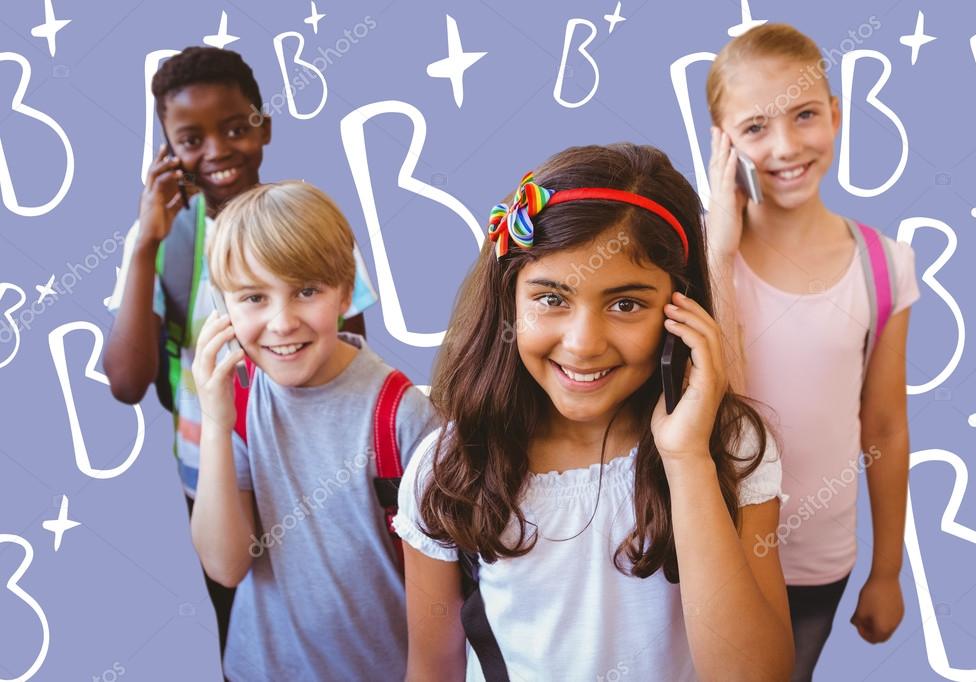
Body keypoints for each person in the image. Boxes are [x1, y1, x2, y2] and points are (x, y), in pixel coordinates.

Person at [396, 143, 794, 680]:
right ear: (508, 300)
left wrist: (687, 459)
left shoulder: (731, 447)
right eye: (552, 298)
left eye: (626, 304)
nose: (583, 344)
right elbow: (432, 670)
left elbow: (755, 674)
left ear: (680, 313)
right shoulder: (447, 468)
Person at [102, 46, 377, 653]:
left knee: (331, 607)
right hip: (212, 470)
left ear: (265, 126)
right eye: (191, 138)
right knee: (242, 616)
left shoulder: (312, 227)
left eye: (234, 128)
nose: (218, 151)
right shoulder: (164, 241)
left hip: (309, 470)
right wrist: (144, 244)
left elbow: (350, 355)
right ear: (167, 151)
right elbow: (126, 381)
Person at [704, 23, 919, 681]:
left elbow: (882, 426)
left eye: (803, 116)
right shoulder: (700, 261)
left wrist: (885, 571)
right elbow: (714, 398)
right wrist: (716, 251)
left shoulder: (884, 266)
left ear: (835, 114)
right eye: (754, 128)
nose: (785, 146)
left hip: (818, 561)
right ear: (723, 142)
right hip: (710, 552)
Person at [191, 180, 437, 681]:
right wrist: (215, 424)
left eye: (306, 291)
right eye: (253, 297)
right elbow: (225, 565)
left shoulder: (402, 416)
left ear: (346, 292)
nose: (281, 322)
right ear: (224, 308)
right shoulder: (234, 400)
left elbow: (444, 596)